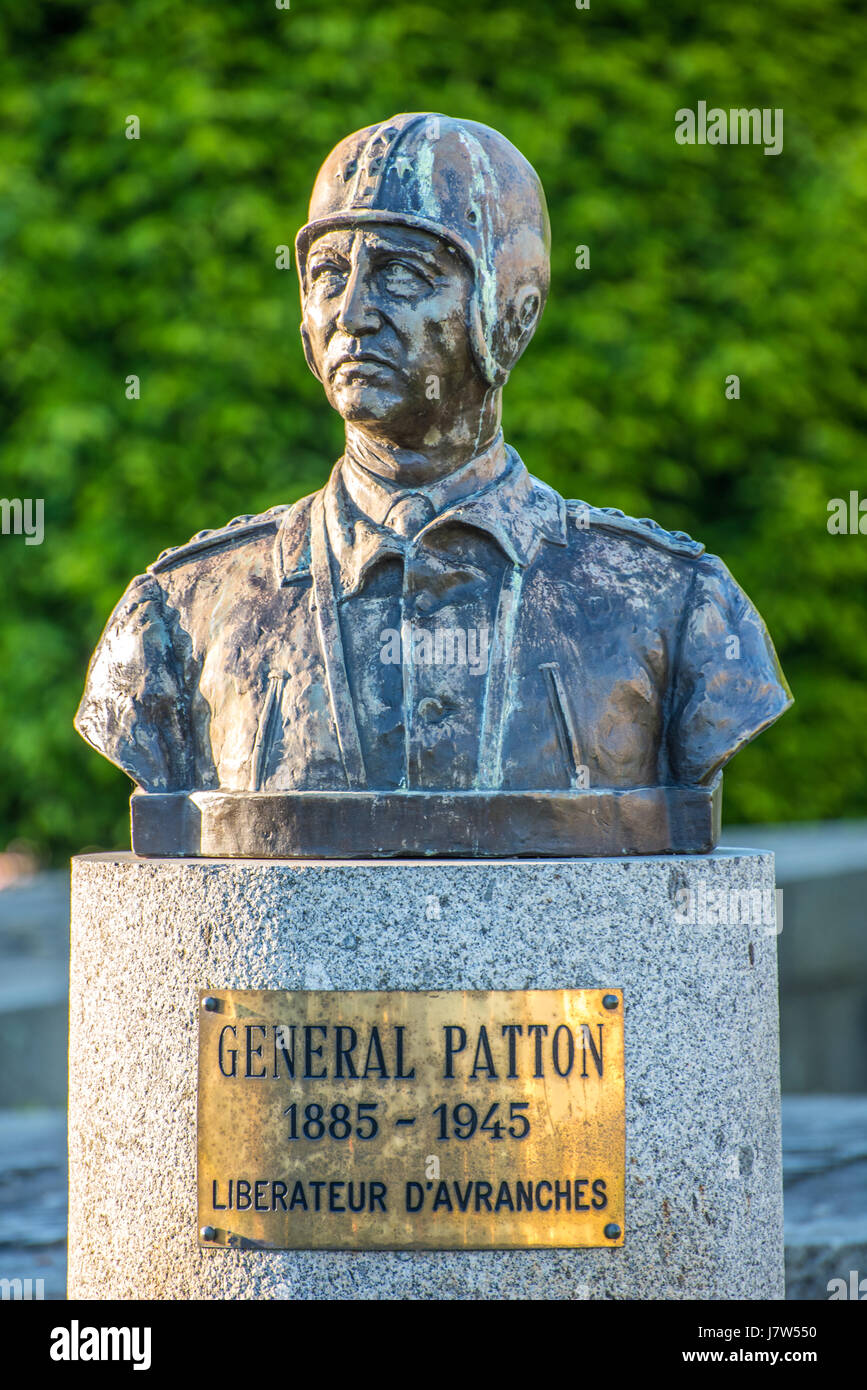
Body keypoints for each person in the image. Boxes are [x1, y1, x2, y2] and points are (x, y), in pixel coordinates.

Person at [76, 112, 791, 797]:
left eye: (402, 275)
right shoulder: (179, 614)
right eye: (327, 274)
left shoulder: (675, 606)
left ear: (512, 317)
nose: (351, 314)